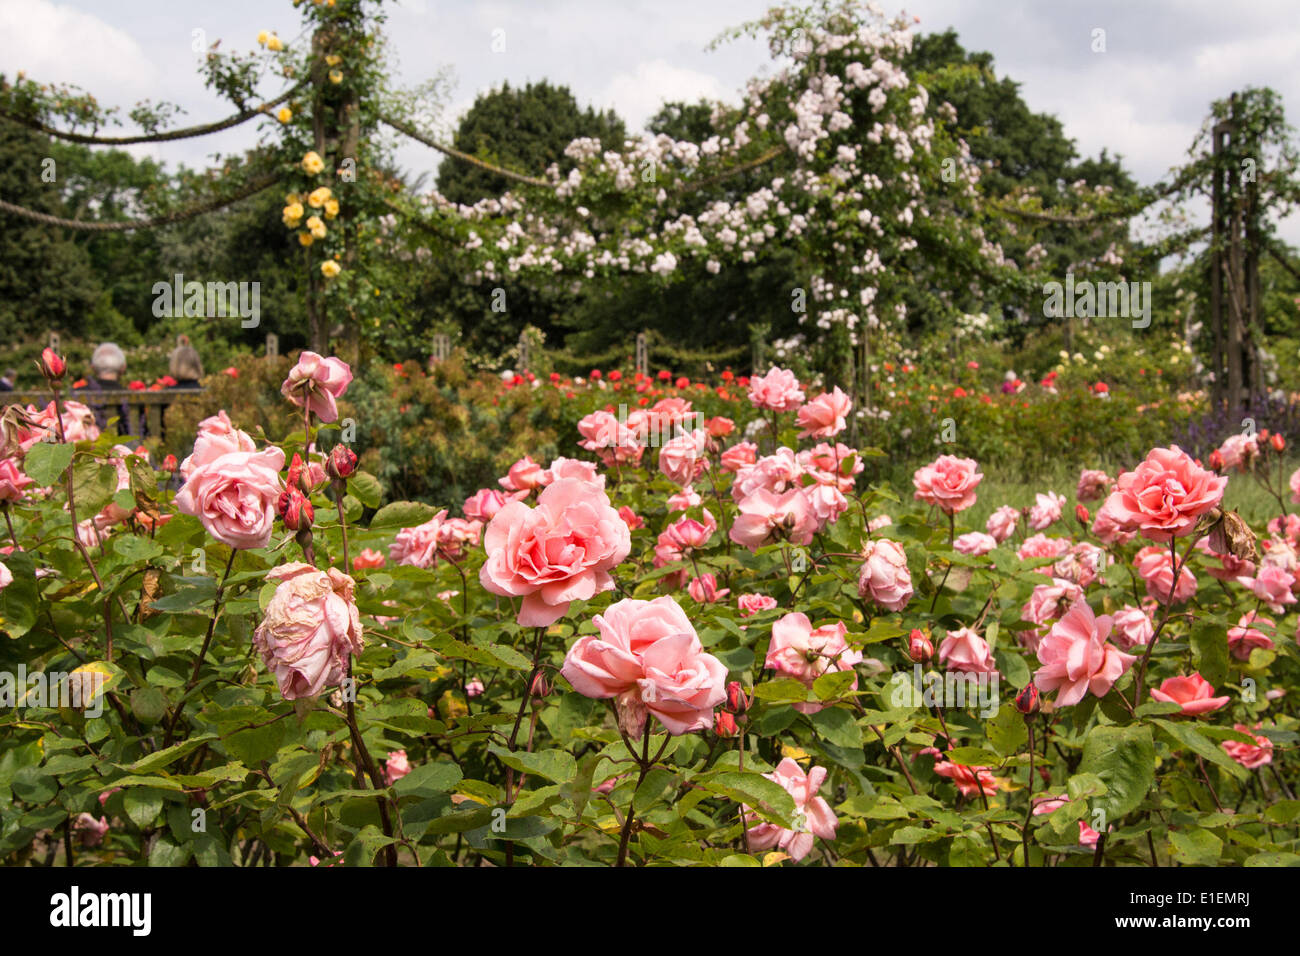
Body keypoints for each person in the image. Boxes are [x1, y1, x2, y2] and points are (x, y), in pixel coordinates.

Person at [76, 342, 134, 435]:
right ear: (123, 367)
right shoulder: (133, 397)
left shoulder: (76, 396)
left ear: (93, 368)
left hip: (85, 448)